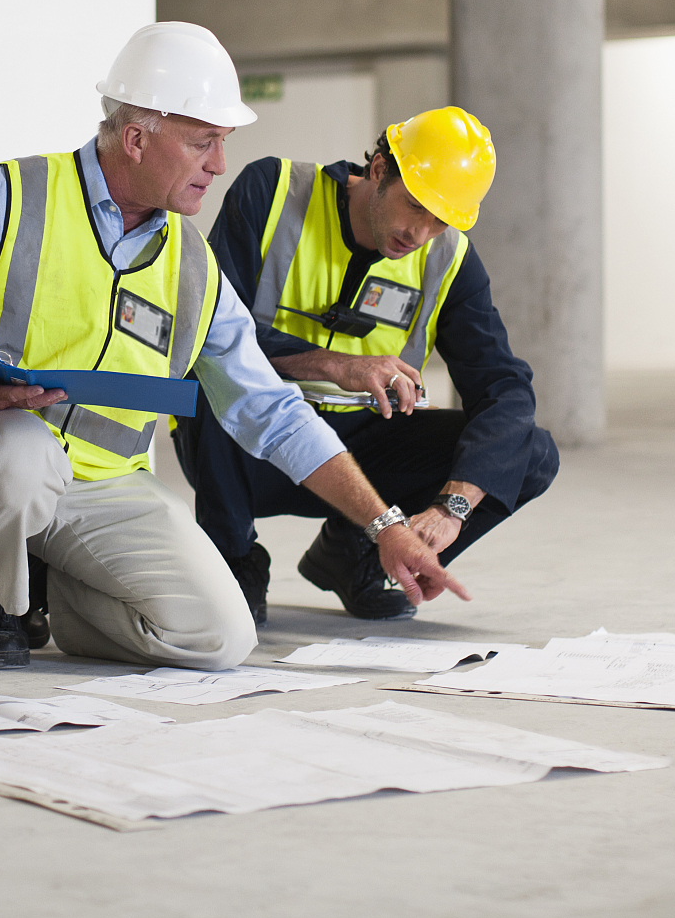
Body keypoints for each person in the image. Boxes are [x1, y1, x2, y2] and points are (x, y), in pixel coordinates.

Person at [0, 22, 470, 672]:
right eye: (203, 142)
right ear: (136, 138)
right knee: (19, 453)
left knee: (220, 638)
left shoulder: (192, 265)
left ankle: (60, 583)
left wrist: (385, 526)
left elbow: (272, 409)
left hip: (104, 487)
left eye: (223, 143)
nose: (219, 164)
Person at [173, 107, 558, 624]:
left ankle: (355, 554)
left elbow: (505, 389)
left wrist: (454, 506)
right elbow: (207, 332)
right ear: (379, 169)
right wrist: (335, 364)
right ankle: (236, 559)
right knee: (213, 383)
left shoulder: (449, 260)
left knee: (530, 452)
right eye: (416, 205)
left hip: (361, 459)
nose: (421, 232)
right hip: (250, 447)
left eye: (440, 219)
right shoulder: (273, 191)